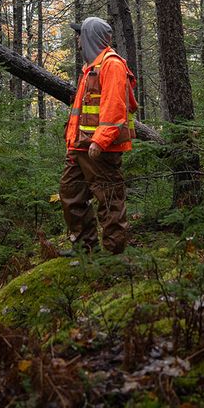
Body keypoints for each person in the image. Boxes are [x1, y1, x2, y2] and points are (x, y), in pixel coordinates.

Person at [60, 16, 138, 255]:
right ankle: (86, 250)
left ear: (89, 36)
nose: (77, 39)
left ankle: (115, 255)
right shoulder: (90, 68)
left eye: (80, 34)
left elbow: (114, 107)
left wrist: (101, 140)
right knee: (70, 193)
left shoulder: (111, 65)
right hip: (81, 146)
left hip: (100, 149)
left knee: (109, 200)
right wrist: (72, 142)